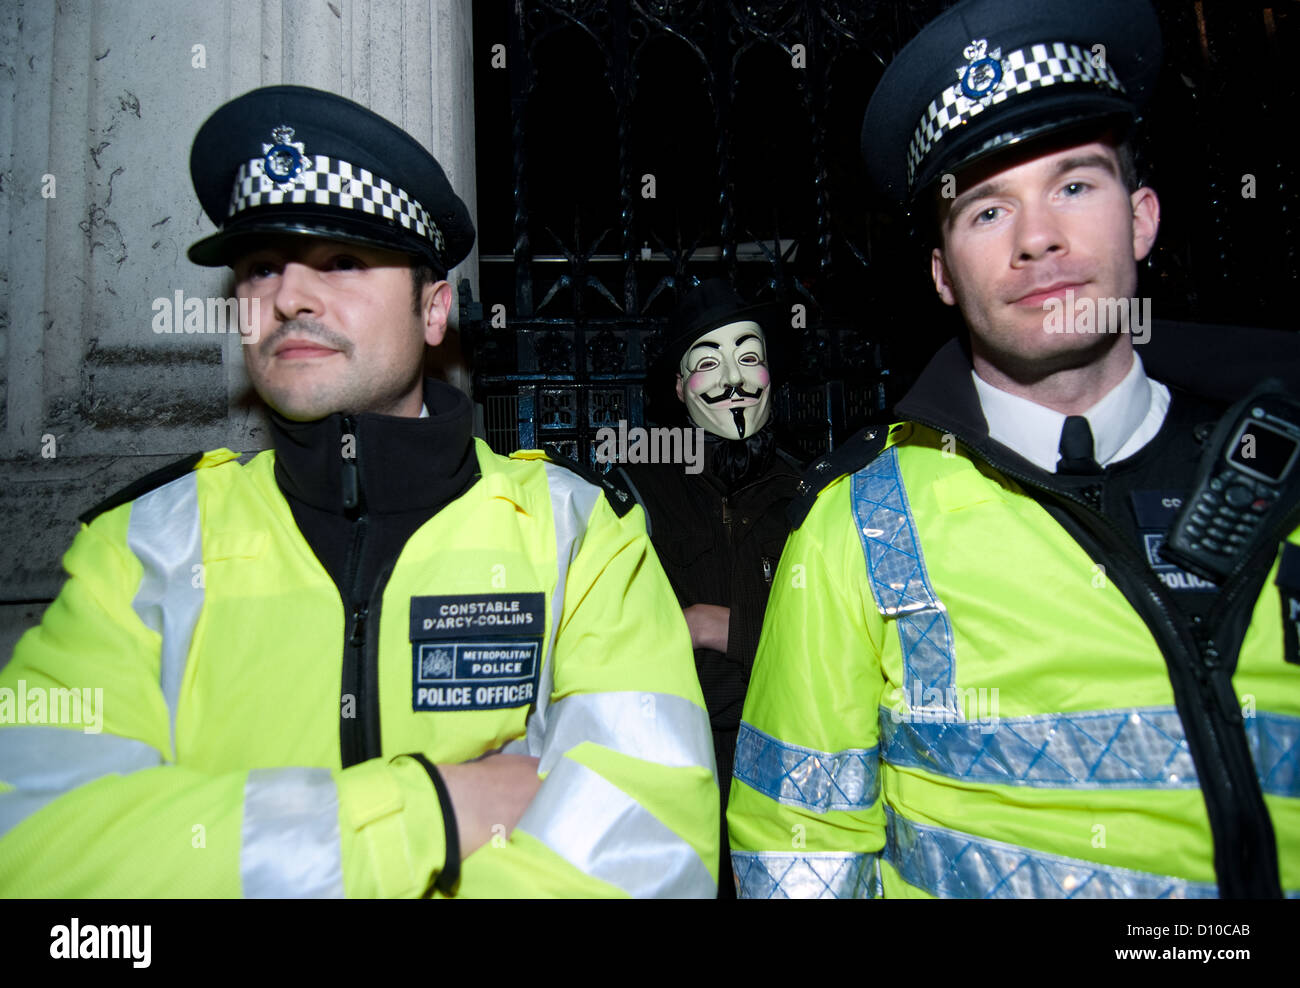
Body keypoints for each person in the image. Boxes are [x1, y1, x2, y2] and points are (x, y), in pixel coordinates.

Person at [0, 85, 718, 898]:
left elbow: (648, 850)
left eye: (342, 262)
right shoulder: (140, 551)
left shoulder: (578, 534)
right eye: (262, 266)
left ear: (436, 310)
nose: (290, 298)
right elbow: (29, 843)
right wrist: (431, 813)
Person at [728, 0, 1299, 898]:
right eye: (988, 210)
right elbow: (800, 846)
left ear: (1143, 217)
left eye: (1074, 185)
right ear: (943, 274)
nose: (1039, 237)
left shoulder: (1287, 470)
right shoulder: (859, 527)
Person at [613, 279, 802, 897]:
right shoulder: (633, 490)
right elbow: (609, 634)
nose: (733, 379)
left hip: (793, 755)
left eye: (749, 356)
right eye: (708, 362)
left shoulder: (815, 494)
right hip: (676, 765)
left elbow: (846, 629)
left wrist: (724, 623)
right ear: (678, 386)